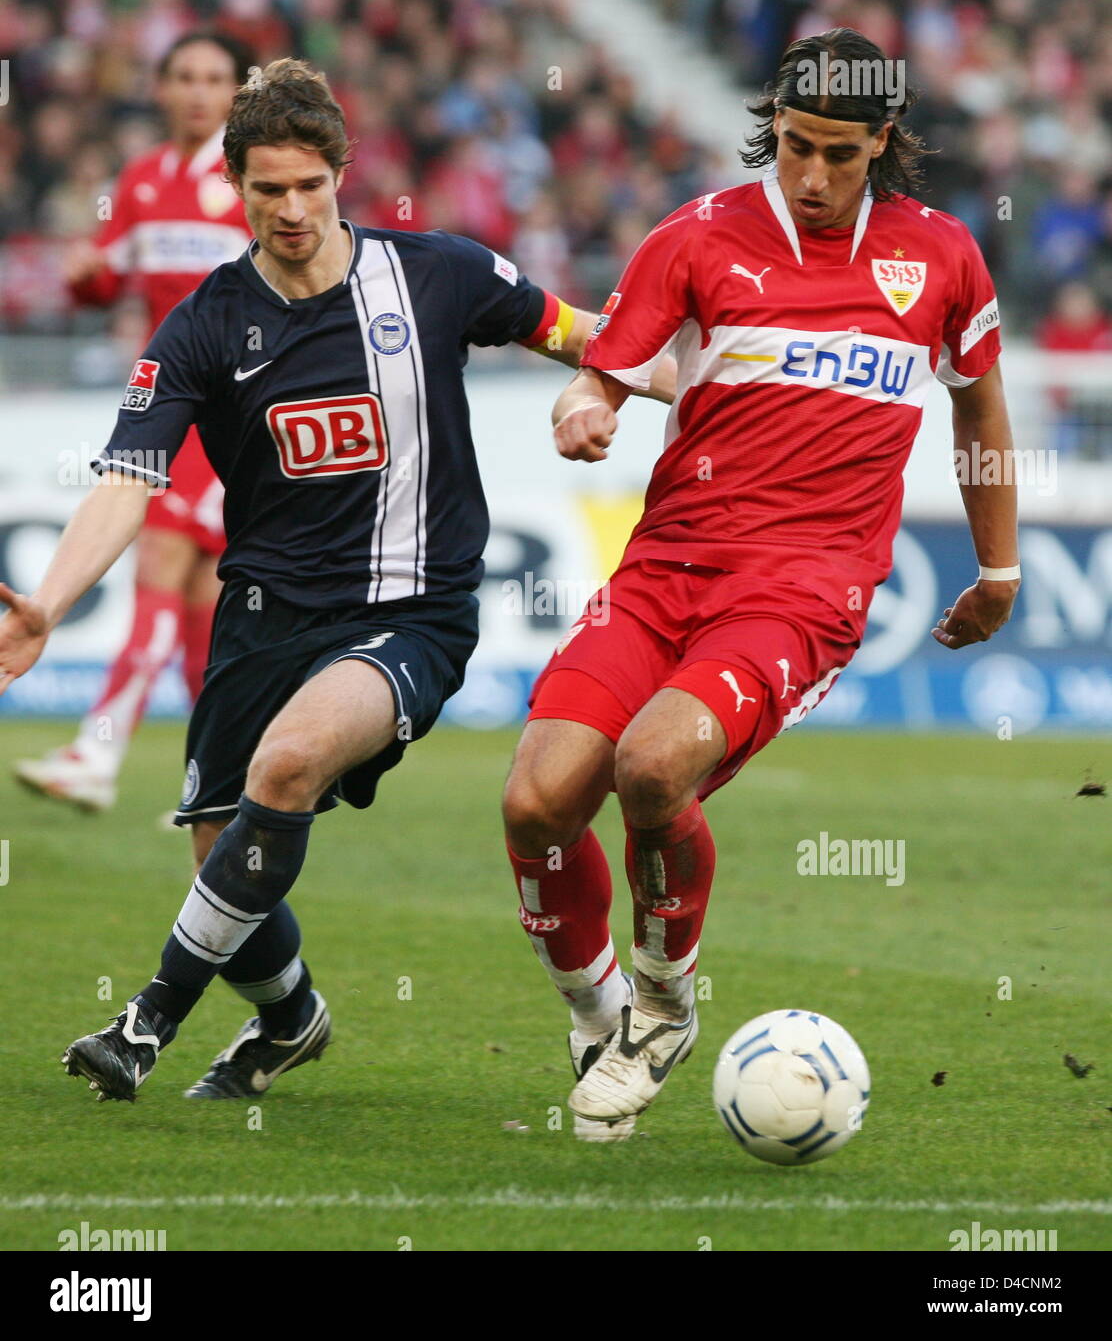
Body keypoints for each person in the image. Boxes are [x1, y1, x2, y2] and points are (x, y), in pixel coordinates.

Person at [0, 58, 675, 1103]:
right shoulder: (203, 326)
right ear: (236, 186)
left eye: (308, 186)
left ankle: (145, 1022)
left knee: (289, 765)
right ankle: (290, 1016)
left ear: (340, 176)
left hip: (411, 613)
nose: (290, 210)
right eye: (267, 190)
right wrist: (50, 600)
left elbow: (594, 335)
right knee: (223, 849)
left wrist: (685, 391)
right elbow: (126, 480)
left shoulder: (439, 273)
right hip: (262, 616)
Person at [501, 27, 1021, 1143]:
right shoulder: (695, 238)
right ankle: (599, 1013)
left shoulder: (939, 257)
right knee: (537, 800)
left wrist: (998, 566)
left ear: (880, 141)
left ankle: (665, 1002)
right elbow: (609, 364)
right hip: (660, 572)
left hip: (802, 594)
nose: (814, 175)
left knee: (649, 766)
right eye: (793, 147)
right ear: (770, 131)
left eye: (839, 153)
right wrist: (584, 407)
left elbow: (978, 404)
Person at [13, 32, 254, 814]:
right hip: (164, 409)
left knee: (160, 571)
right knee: (195, 614)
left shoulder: (254, 177)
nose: (196, 92)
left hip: (227, 417)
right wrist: (86, 276)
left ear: (236, 91)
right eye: (183, 76)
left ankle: (96, 753)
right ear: (160, 87)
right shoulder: (144, 179)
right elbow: (104, 279)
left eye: (213, 78)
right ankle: (226, 784)